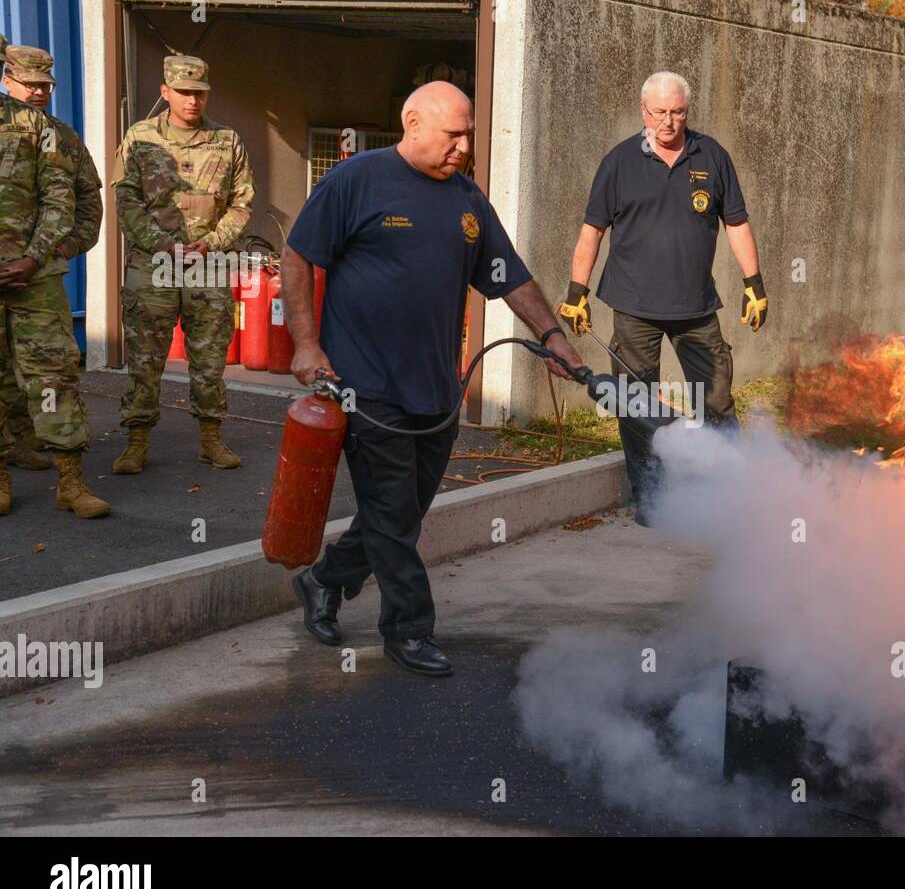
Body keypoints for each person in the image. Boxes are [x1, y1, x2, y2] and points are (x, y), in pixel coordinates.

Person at [281, 81, 586, 678]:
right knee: (394, 516)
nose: (464, 146)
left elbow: (509, 276)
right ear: (413, 123)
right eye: (454, 134)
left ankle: (323, 579)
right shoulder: (355, 181)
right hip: (364, 386)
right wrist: (307, 343)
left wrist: (554, 336)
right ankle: (410, 629)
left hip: (436, 392)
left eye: (469, 134)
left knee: (400, 515)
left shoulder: (468, 201)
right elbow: (299, 256)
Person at [562, 71, 768, 523]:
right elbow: (592, 230)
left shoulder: (711, 156)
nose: (669, 121)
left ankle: (729, 491)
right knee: (637, 402)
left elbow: (736, 223)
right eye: (660, 113)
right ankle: (650, 494)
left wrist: (754, 283)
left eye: (678, 112)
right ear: (644, 111)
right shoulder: (618, 162)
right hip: (634, 307)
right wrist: (577, 292)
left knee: (714, 400)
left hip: (696, 308)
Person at [110, 54, 254, 475]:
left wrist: (211, 243)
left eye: (200, 93)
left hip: (207, 264)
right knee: (145, 356)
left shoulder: (228, 141)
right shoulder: (140, 138)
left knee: (210, 357)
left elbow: (242, 204)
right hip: (153, 262)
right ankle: (136, 443)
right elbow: (126, 201)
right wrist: (162, 244)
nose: (193, 100)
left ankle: (211, 440)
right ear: (165, 92)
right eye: (185, 92)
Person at [0, 38, 107, 518]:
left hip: (35, 277)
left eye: (46, 85)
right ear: (8, 77)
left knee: (54, 376)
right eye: (30, 84)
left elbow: (68, 203)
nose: (40, 92)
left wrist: (41, 256)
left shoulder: (54, 136)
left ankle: (71, 482)